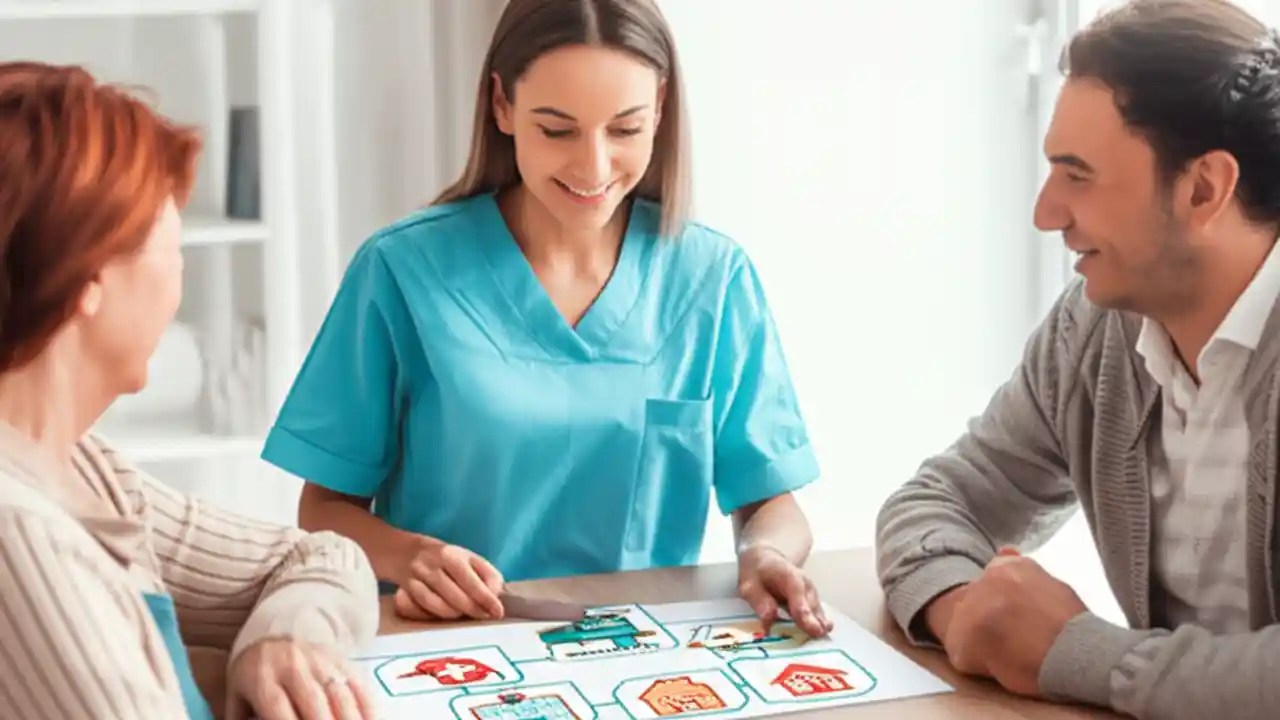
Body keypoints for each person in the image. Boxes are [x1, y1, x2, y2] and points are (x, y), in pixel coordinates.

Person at [260, 0, 832, 639]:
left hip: (643, 647)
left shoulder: (713, 277)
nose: (593, 168)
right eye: (557, 130)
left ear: (660, 108)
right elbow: (325, 507)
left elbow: (768, 498)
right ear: (502, 105)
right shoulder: (400, 270)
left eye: (624, 129)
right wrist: (409, 556)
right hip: (449, 642)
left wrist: (765, 552)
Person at [876, 1, 1280, 718]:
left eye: (1078, 175)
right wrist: (975, 617)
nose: (1046, 213)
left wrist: (1080, 655)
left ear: (1203, 190)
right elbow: (937, 503)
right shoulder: (1094, 329)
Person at [0, 62, 379, 720]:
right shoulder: (22, 536)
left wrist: (281, 641)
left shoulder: (82, 467)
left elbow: (321, 555)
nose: (179, 288)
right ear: (88, 281)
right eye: (173, 253)